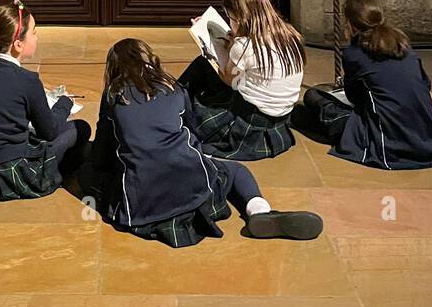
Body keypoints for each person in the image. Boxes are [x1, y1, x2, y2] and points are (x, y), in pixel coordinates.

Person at [87, 38, 323, 248]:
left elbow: (103, 152)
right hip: (192, 182)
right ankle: (258, 210)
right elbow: (191, 131)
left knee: (92, 178)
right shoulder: (173, 87)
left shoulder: (113, 95)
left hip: (142, 201)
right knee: (235, 170)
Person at [293, 0, 432, 170]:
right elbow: (426, 84)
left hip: (387, 138)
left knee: (314, 96)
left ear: (350, 24)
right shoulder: (403, 43)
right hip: (425, 131)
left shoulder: (354, 54)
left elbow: (354, 97)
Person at [0, 0, 90, 199]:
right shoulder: (27, 80)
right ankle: (63, 168)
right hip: (14, 172)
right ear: (18, 44)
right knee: (79, 128)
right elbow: (49, 132)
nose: (36, 38)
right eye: (34, 33)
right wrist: (64, 104)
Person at [178, 0, 304, 160]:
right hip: (280, 121)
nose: (230, 22)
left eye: (231, 18)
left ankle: (171, 97)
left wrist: (208, 44)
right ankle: (174, 95)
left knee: (202, 67)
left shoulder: (245, 46)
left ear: (242, 18)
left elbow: (230, 81)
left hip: (249, 121)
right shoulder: (289, 33)